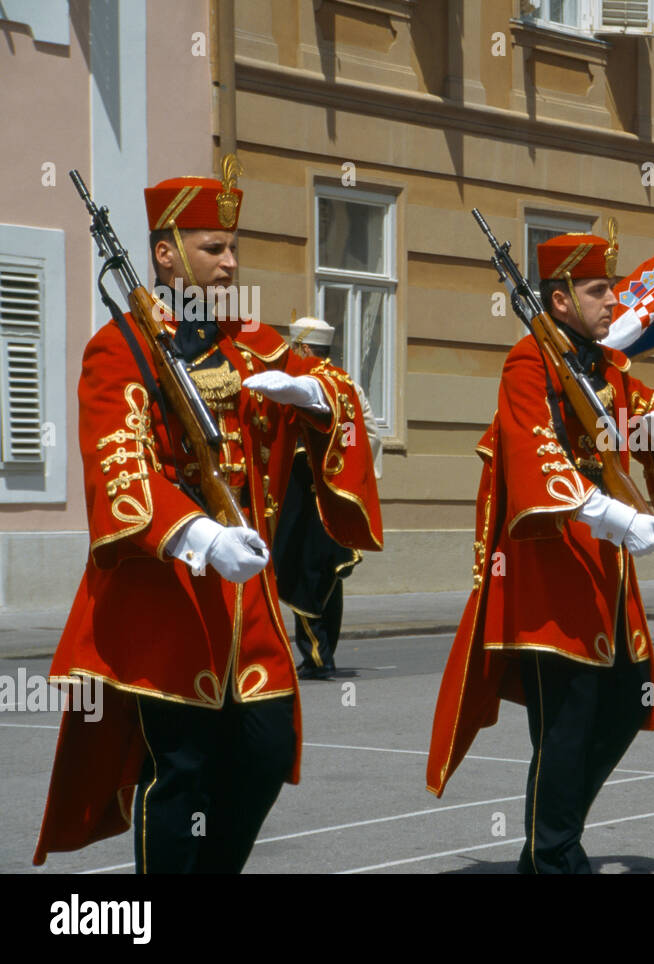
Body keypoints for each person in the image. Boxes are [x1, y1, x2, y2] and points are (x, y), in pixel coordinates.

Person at [33, 160, 383, 872]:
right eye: (213, 248)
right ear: (166, 255)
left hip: (246, 600)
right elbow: (118, 463)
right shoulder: (121, 348)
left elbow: (334, 385)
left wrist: (309, 395)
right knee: (181, 773)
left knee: (267, 746)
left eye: (233, 247)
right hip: (166, 600)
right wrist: (197, 534)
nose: (231, 263)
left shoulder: (246, 339)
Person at [426, 228, 654, 873]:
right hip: (553, 569)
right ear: (558, 301)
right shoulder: (528, 362)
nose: (614, 300)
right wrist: (609, 510)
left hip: (606, 571)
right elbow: (535, 452)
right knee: (568, 722)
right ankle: (553, 856)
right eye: (598, 289)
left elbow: (636, 413)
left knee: (624, 704)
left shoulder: (605, 366)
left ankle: (550, 841)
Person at [271, 316, 382, 680]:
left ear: (302, 347)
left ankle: (319, 656)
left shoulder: (307, 381)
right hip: (334, 496)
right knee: (327, 577)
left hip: (307, 495)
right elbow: (365, 435)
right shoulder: (347, 383)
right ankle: (322, 652)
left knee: (305, 571)